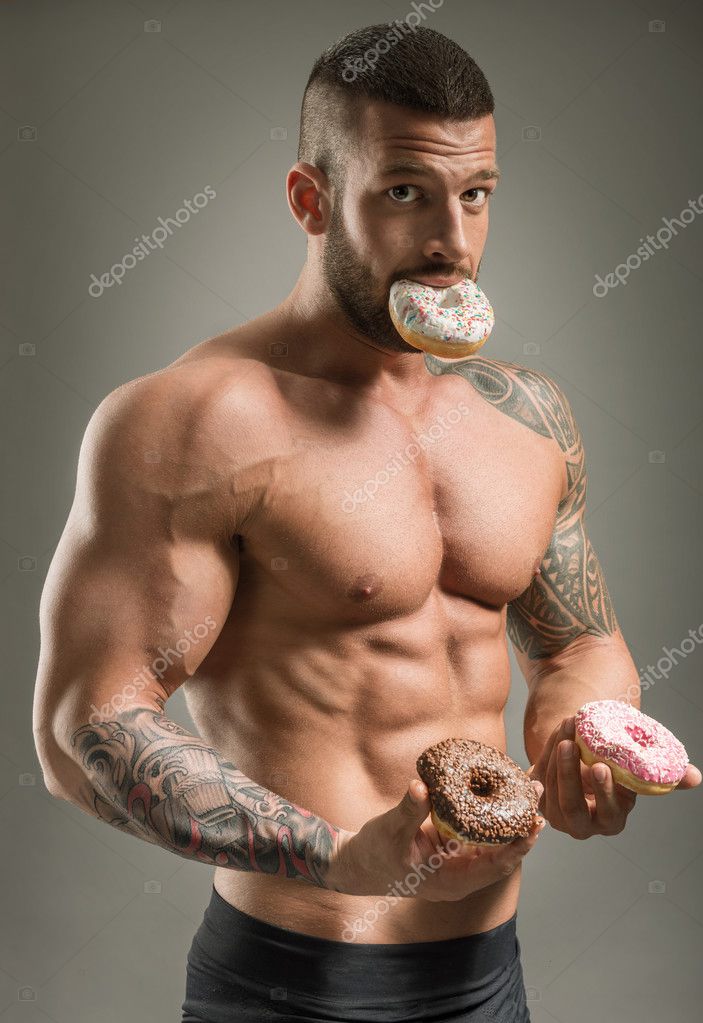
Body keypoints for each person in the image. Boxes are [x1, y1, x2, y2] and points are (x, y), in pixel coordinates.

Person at [32, 22, 701, 1023]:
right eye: (405, 193)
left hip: (488, 976)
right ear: (311, 199)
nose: (454, 241)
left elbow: (583, 643)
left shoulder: (524, 416)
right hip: (291, 980)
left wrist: (575, 736)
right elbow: (82, 726)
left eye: (475, 194)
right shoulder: (190, 420)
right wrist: (337, 857)